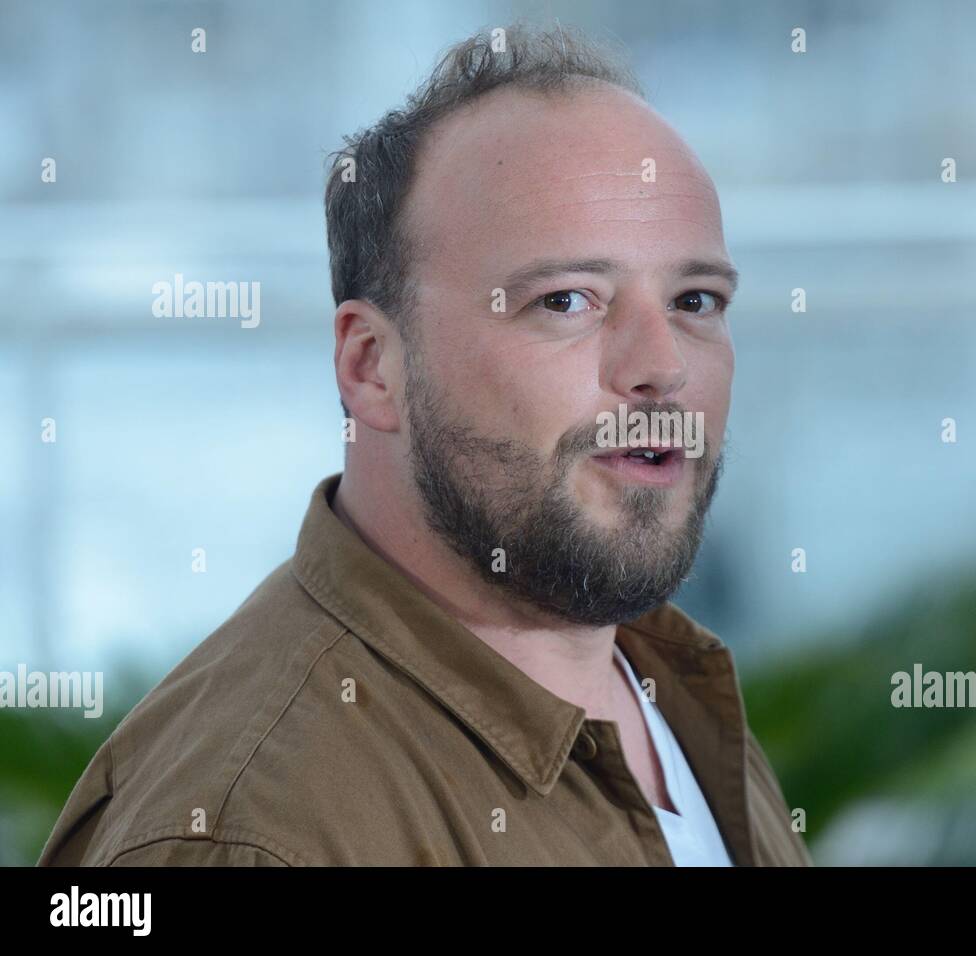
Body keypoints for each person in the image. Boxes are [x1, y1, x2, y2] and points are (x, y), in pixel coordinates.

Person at [38, 21, 812, 867]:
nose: (661, 367)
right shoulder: (254, 834)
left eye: (695, 301)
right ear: (372, 367)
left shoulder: (666, 684)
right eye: (565, 301)